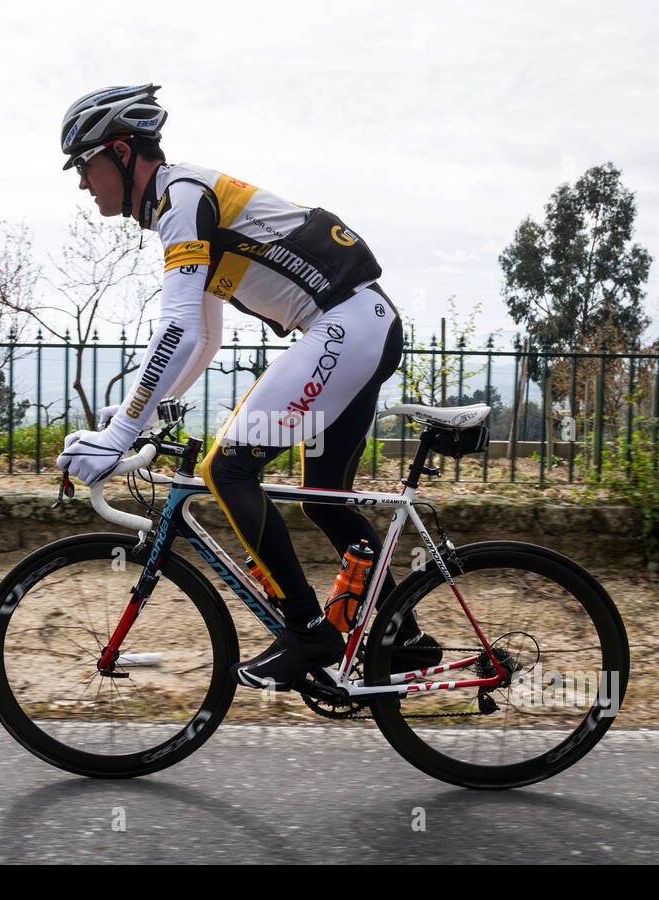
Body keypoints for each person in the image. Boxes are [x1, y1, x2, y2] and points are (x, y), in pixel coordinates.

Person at [56, 83, 438, 690]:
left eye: (85, 165)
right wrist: (139, 413)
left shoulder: (182, 198)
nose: (82, 183)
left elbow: (178, 327)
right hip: (362, 325)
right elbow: (203, 339)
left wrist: (125, 429)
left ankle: (309, 631)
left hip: (345, 325)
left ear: (123, 152)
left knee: (228, 470)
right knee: (322, 498)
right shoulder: (184, 203)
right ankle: (403, 637)